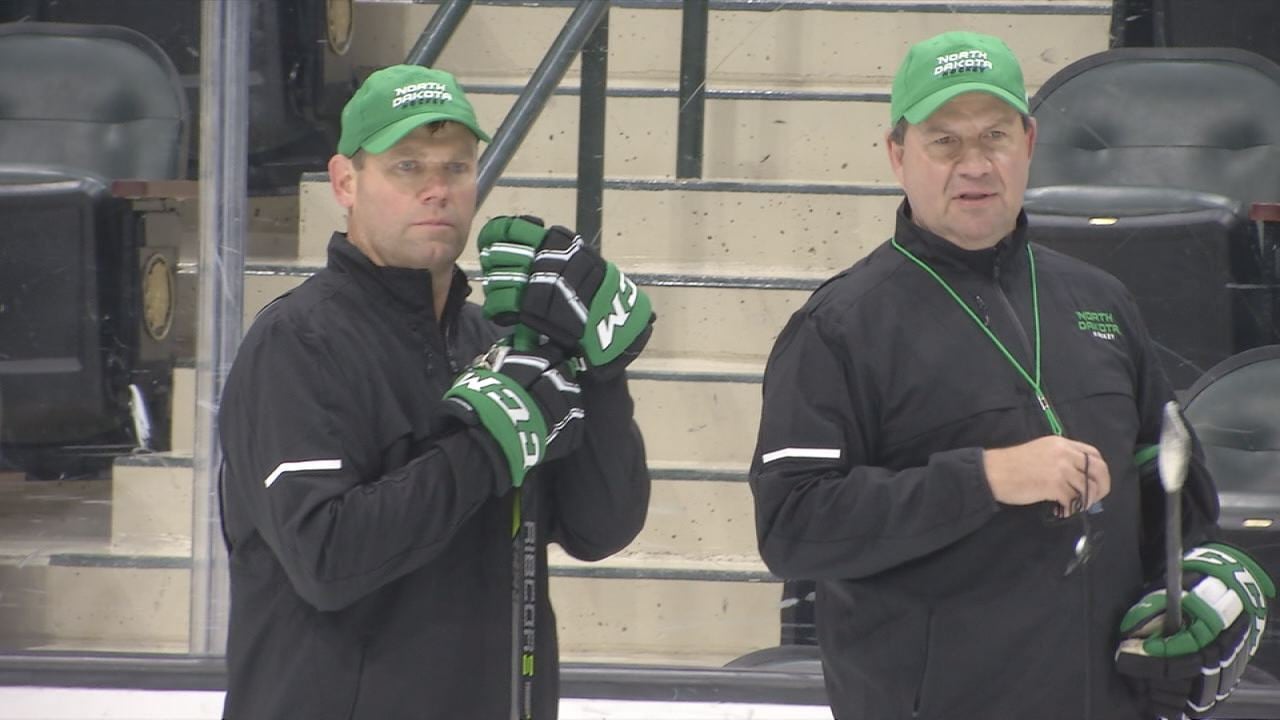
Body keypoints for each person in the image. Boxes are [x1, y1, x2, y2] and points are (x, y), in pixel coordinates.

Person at [749, 31, 1272, 720]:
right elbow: (793, 525)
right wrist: (988, 479)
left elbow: (1170, 485)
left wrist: (1206, 578)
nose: (975, 164)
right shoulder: (839, 327)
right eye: (944, 141)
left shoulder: (1100, 300)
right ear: (897, 154)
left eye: (994, 136)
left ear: (1028, 143)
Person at [218, 64, 653, 719]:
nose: (437, 189)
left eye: (456, 168)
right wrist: (485, 448)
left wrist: (600, 372)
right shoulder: (296, 343)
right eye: (407, 167)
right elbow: (327, 559)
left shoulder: (497, 341)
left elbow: (601, 528)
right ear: (345, 181)